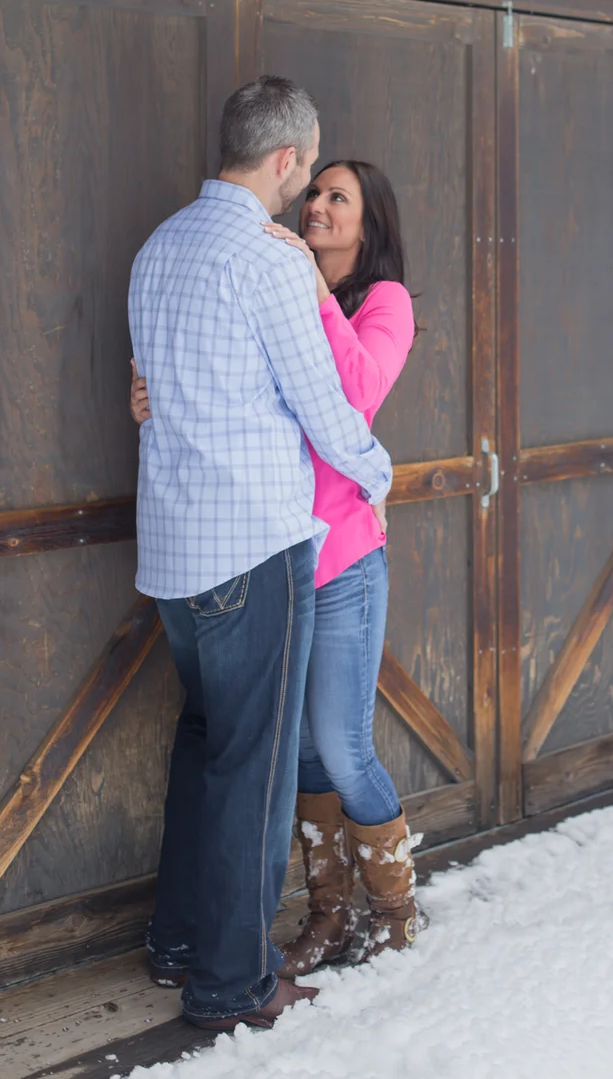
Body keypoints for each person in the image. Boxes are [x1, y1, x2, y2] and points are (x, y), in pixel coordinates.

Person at [128, 78, 392, 1033]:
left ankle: (177, 940)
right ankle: (231, 984)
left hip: (173, 553)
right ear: (286, 159)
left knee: (203, 743)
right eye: (307, 167)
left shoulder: (158, 248)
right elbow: (328, 409)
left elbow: (153, 391)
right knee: (256, 767)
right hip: (252, 545)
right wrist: (379, 472)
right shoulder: (269, 261)